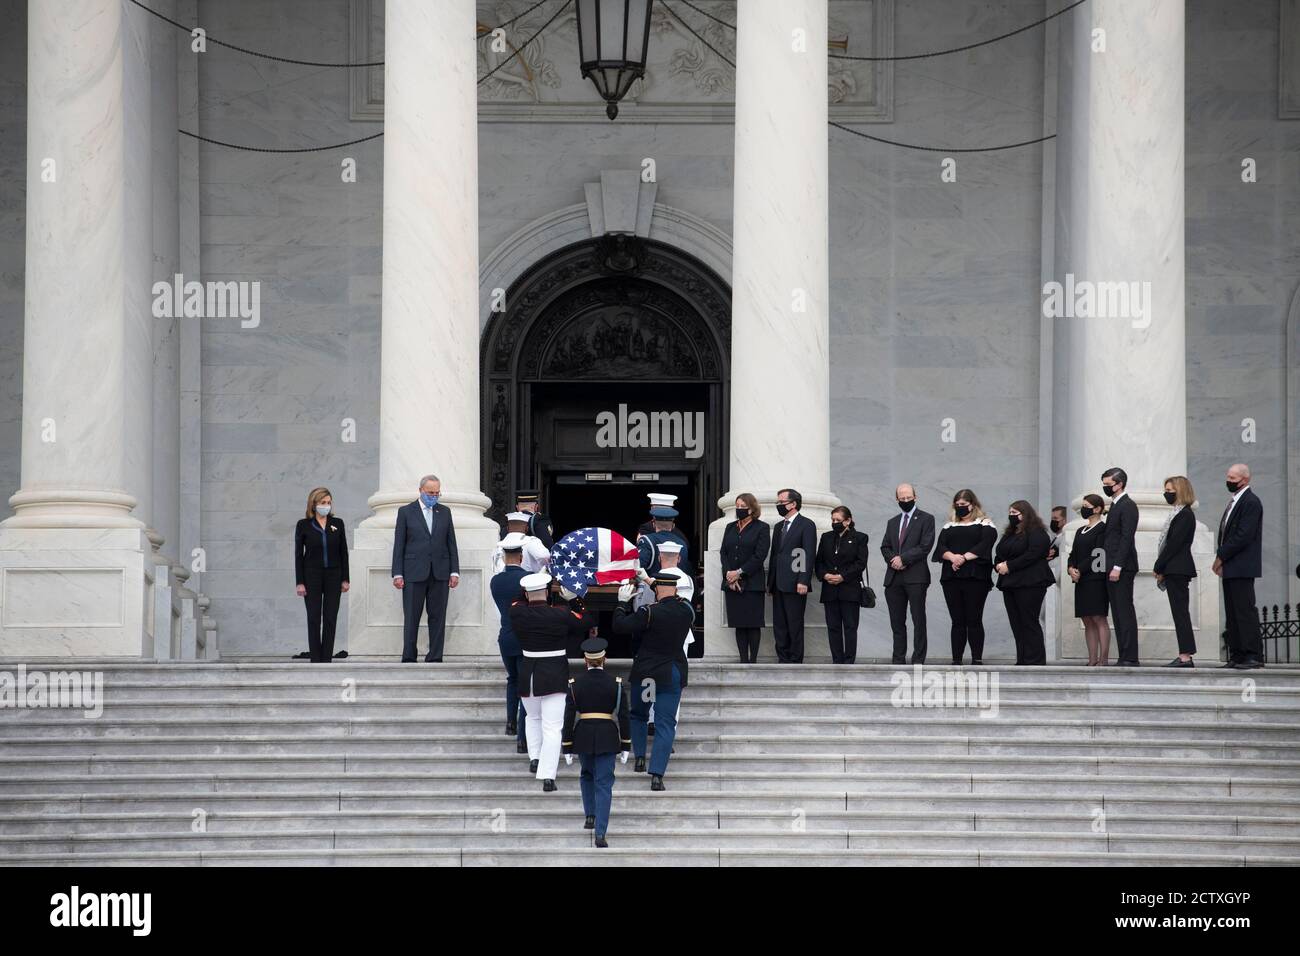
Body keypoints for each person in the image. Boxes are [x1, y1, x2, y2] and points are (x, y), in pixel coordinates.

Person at [509, 570, 593, 790]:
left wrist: (535, 580)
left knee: (532, 718)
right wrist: (574, 599)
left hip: (528, 673)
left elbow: (518, 600)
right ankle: (548, 776)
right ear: (547, 592)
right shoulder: (561, 613)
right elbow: (586, 620)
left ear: (526, 594)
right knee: (553, 727)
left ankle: (535, 758)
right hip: (554, 673)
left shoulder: (517, 612)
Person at [613, 572, 693, 790]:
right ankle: (657, 774)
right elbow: (669, 594)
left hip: (648, 674)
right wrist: (653, 582)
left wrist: (621, 604)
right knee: (665, 724)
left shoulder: (648, 612)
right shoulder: (687, 610)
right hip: (672, 672)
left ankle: (639, 758)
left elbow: (620, 626)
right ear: (675, 589)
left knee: (639, 714)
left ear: (657, 591)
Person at [562, 637, 631, 848]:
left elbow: (568, 716)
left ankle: (590, 816)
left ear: (585, 661)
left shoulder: (575, 684)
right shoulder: (616, 684)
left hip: (583, 734)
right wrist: (626, 744)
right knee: (604, 784)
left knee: (587, 775)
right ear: (604, 660)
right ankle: (600, 832)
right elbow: (624, 716)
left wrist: (566, 744)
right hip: (607, 736)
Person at [392, 475, 459, 663]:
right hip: (413, 571)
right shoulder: (405, 512)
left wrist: (454, 571)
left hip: (440, 572)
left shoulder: (444, 512)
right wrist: (397, 572)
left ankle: (435, 656)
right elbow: (399, 544)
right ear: (420, 491)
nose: (434, 496)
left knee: (438, 616)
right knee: (412, 616)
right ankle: (409, 656)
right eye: (431, 493)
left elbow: (451, 543)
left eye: (437, 493)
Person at [930, 489, 996, 665]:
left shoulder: (985, 523)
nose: (960, 508)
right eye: (957, 505)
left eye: (963, 505)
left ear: (972, 505)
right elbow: (940, 548)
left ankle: (976, 658)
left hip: (976, 577)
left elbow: (985, 545)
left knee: (974, 618)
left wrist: (963, 557)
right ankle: (956, 659)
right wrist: (952, 557)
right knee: (957, 620)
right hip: (952, 577)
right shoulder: (949, 525)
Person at [1215, 463, 1264, 669]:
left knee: (1244, 611)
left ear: (1245, 479)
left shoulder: (1251, 502)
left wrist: (1221, 556)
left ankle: (1252, 654)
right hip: (1232, 565)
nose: (1229, 481)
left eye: (1233, 479)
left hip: (1242, 565)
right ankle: (1237, 653)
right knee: (1233, 612)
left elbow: (1243, 536)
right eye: (1228, 477)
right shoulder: (1235, 501)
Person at [880, 483, 936, 665]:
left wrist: (902, 559)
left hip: (916, 577)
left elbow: (925, 546)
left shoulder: (926, 519)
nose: (905, 501)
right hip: (894, 577)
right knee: (897, 622)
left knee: (918, 619)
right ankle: (898, 658)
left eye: (908, 498)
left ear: (915, 497)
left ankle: (918, 659)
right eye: (902, 498)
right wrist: (893, 560)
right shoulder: (892, 522)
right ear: (897, 499)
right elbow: (885, 546)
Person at [294, 487, 350, 662]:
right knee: (314, 617)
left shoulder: (337, 523)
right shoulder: (303, 525)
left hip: (334, 575)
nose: (326, 506)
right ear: (314, 504)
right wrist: (300, 582)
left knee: (330, 617)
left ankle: (326, 658)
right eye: (322, 503)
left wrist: (345, 578)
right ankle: (315, 659)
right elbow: (298, 555)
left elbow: (344, 552)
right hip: (312, 576)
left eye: (328, 503)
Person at [994, 500, 1054, 665]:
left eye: (1015, 513)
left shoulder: (1037, 532)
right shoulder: (1010, 533)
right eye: (1010, 513)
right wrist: (998, 565)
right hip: (1010, 583)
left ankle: (1035, 659)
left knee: (1029, 621)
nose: (1011, 516)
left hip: (1030, 583)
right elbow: (1000, 552)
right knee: (1016, 623)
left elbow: (1034, 554)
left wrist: (1009, 565)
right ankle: (1022, 658)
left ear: (1025, 514)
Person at [489, 532, 530, 752]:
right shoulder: (528, 579)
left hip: (505, 638)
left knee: (512, 680)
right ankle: (522, 738)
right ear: (521, 556)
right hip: (524, 638)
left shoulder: (495, 581)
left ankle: (510, 722)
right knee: (524, 686)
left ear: (504, 557)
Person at [767, 488, 817, 664]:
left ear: (793, 504)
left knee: (794, 622)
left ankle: (795, 658)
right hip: (778, 583)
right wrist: (770, 583)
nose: (779, 505)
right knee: (779, 624)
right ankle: (783, 656)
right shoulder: (780, 526)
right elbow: (775, 555)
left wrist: (803, 580)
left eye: (782, 502)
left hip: (796, 583)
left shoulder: (807, 525)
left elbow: (807, 554)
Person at [815, 505, 870, 663]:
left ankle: (849, 661)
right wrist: (825, 575)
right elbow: (819, 562)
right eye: (832, 520)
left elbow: (860, 563)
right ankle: (837, 661)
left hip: (850, 590)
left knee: (850, 627)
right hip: (829, 590)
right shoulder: (826, 537)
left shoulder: (860, 537)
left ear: (848, 521)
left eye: (838, 520)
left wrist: (842, 576)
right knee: (833, 627)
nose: (834, 522)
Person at [1154, 476, 1198, 667]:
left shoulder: (1185, 515)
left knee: (1181, 613)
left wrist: (1158, 565)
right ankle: (1185, 653)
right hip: (1174, 568)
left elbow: (1174, 544)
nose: (1166, 494)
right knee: (1179, 612)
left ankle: (1185, 655)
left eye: (1170, 490)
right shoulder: (1178, 513)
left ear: (1180, 491)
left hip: (1177, 568)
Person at [720, 493, 769, 663]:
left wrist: (739, 573)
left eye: (743, 507)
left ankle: (753, 660)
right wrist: (729, 576)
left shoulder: (761, 528)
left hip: (752, 583)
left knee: (752, 623)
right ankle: (743, 660)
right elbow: (724, 553)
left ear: (752, 508)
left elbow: (759, 555)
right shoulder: (730, 527)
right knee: (739, 623)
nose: (739, 509)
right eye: (737, 506)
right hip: (732, 584)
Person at [1102, 467, 1140, 666]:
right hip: (1111, 566)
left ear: (1120, 484)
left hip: (1122, 567)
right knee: (1117, 612)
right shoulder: (1116, 505)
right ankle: (1124, 654)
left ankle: (1130, 656)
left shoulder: (1127, 505)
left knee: (1124, 611)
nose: (1105, 488)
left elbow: (1126, 538)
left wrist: (1117, 566)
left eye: (1108, 485)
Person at [1066, 494, 1111, 665]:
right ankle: (1092, 659)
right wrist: (1071, 568)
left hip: (1096, 579)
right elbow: (1073, 554)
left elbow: (1098, 553)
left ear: (1098, 508)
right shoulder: (1080, 530)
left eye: (1087, 505)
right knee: (1087, 619)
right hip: (1081, 580)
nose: (1084, 508)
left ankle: (1103, 659)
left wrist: (1080, 569)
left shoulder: (1102, 529)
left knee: (1098, 617)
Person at [638, 502, 691, 577]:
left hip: (652, 586)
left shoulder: (647, 540)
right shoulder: (682, 543)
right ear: (673, 525)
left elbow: (637, 567)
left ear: (653, 523)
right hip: (678, 586)